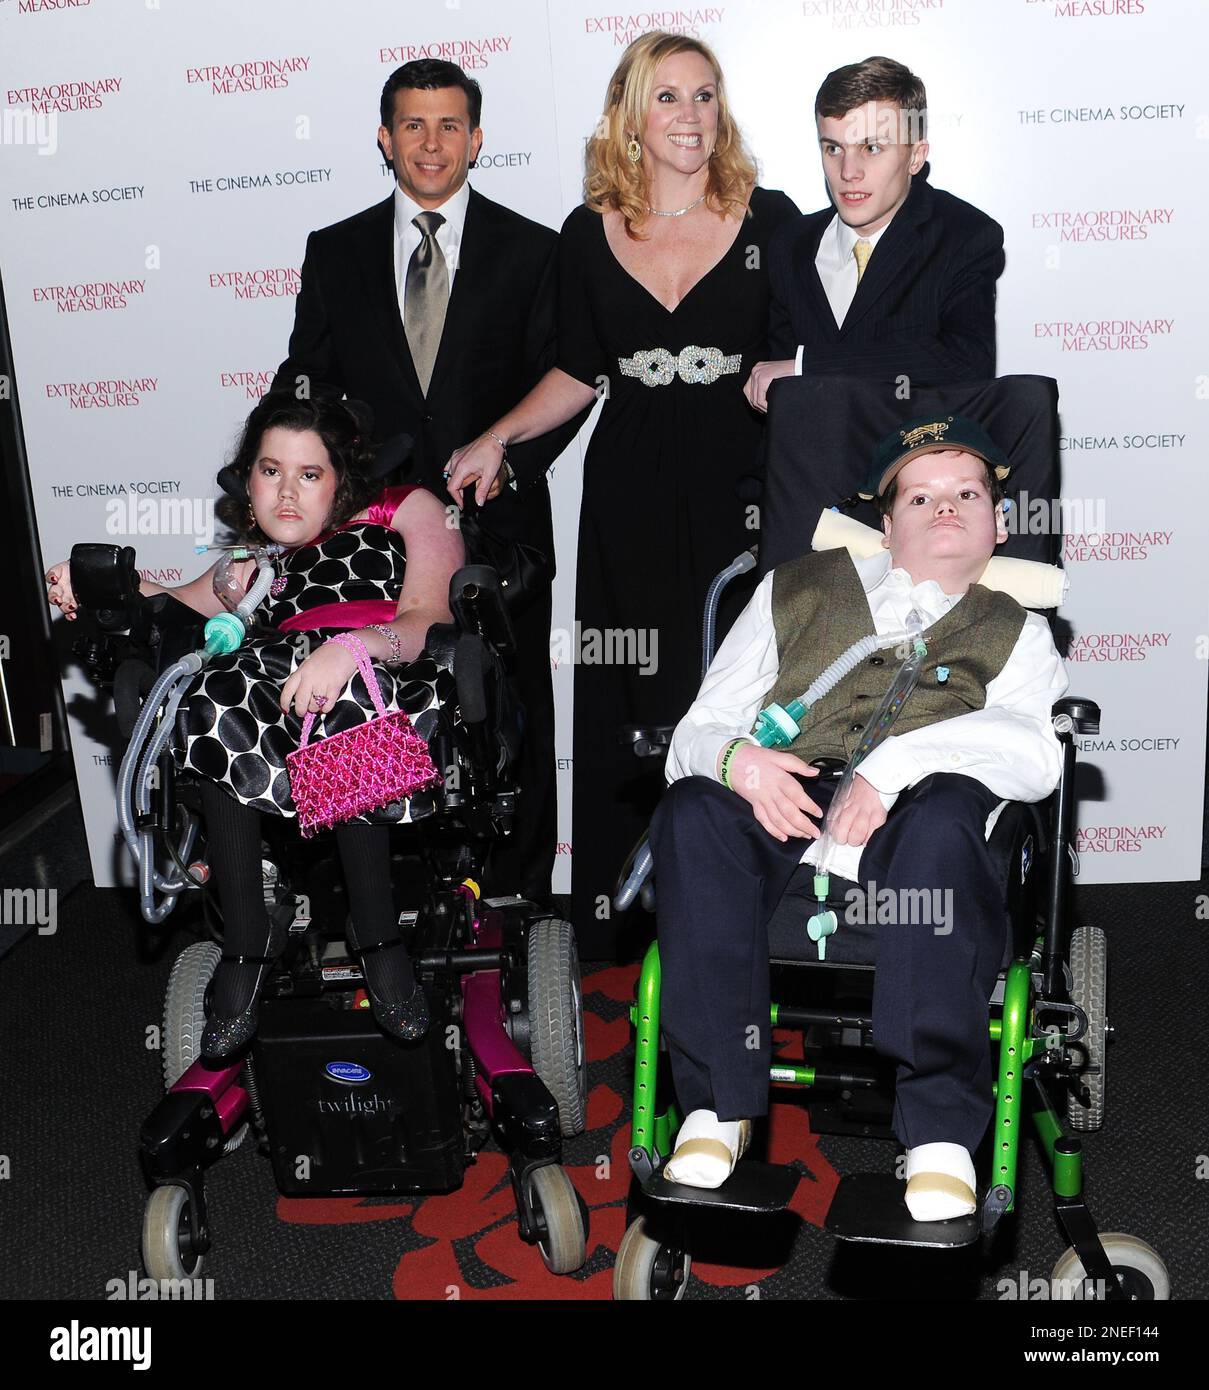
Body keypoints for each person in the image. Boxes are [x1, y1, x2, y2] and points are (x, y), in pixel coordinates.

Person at [649, 416, 1068, 1221]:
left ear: (999, 523)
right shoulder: (794, 589)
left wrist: (891, 768)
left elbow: (1035, 752)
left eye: (966, 493)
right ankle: (719, 1109)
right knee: (693, 807)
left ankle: (939, 1135)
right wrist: (739, 763)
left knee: (949, 815)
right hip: (786, 795)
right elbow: (698, 730)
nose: (944, 507)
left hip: (915, 826)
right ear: (885, 524)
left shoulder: (1021, 634)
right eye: (920, 495)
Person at [445, 32, 800, 956]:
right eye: (669, 97)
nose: (690, 116)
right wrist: (498, 435)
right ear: (630, 117)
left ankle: (759, 913)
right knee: (640, 691)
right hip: (630, 491)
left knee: (739, 680)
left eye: (705, 96)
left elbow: (815, 344)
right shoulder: (585, 230)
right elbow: (577, 369)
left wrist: (780, 367)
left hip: (746, 482)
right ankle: (633, 923)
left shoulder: (774, 220)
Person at [46, 393, 465, 1062]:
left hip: (383, 666)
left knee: (343, 703)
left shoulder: (405, 508)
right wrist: (93, 585)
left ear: (342, 477)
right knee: (210, 692)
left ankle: (378, 938)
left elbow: (427, 619)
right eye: (271, 471)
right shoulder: (253, 561)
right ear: (249, 481)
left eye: (309, 473)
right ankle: (248, 940)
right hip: (278, 681)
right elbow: (167, 600)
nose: (287, 493)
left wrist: (350, 650)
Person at [273, 59, 578, 906]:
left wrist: (511, 461)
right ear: (384, 137)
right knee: (368, 698)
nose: (431, 143)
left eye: (449, 125)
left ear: (476, 138)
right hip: (373, 539)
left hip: (499, 533)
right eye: (413, 124)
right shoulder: (333, 253)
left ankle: (516, 903)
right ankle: (381, 904)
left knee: (503, 714)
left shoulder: (534, 251)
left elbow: (564, 383)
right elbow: (305, 383)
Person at [744, 55, 1003, 401]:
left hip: (915, 452)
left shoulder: (964, 236)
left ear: (915, 156)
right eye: (834, 148)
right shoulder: (790, 245)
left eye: (872, 148)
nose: (849, 171)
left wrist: (811, 365)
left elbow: (966, 362)